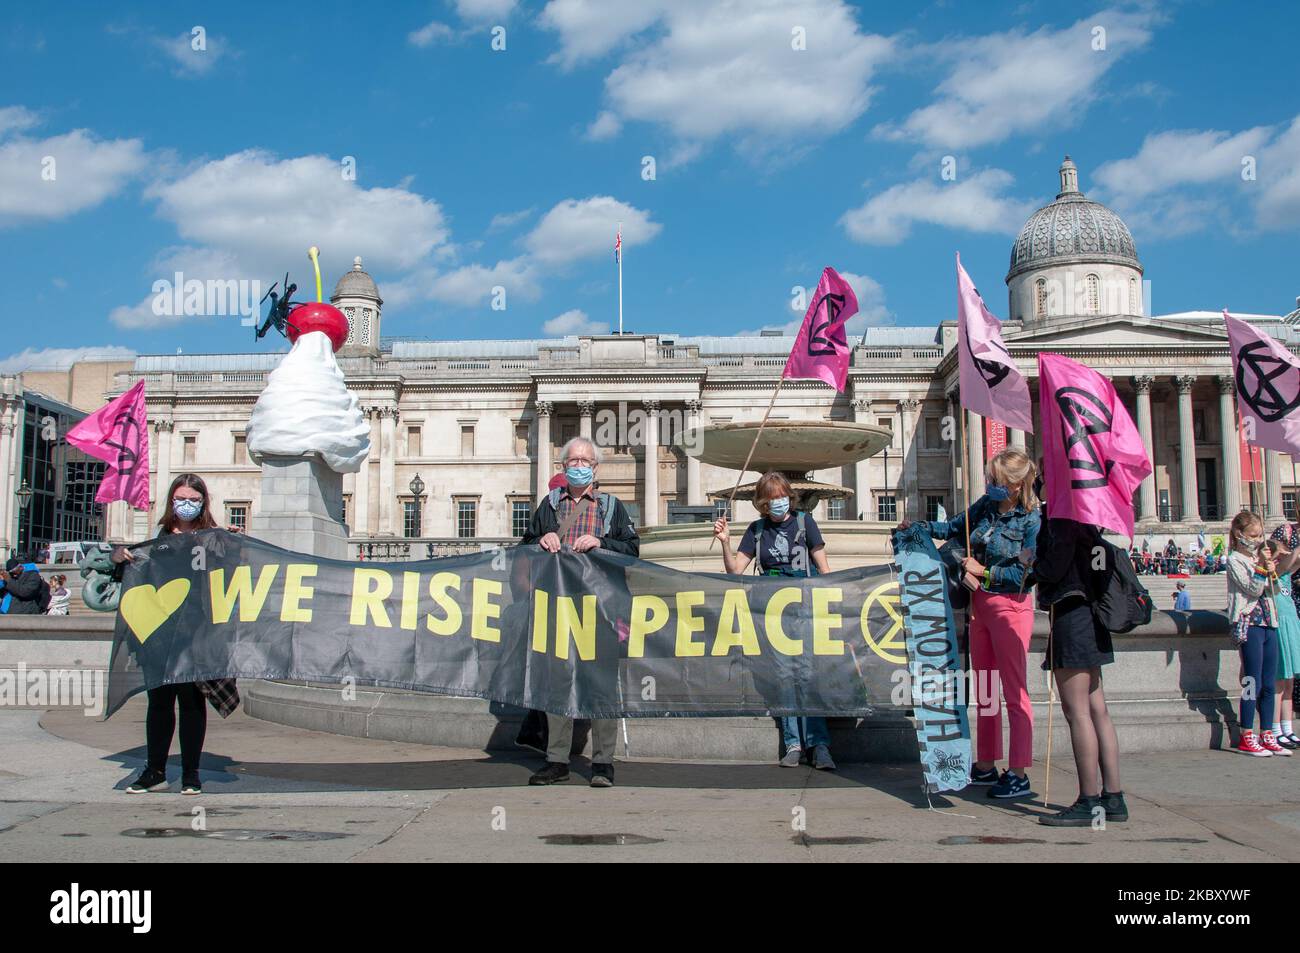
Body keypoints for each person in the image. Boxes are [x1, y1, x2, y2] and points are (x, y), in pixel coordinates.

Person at [902, 448, 1040, 799]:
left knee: (1014, 693)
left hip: (1011, 608)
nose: (990, 485)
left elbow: (1028, 574)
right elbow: (952, 527)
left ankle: (1020, 772)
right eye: (990, 479)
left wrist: (985, 572)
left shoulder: (1032, 521)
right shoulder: (986, 507)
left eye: (996, 480)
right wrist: (916, 526)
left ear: (1016, 484)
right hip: (979, 607)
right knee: (986, 690)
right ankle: (985, 763)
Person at [521, 437, 640, 788]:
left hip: (600, 606)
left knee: (600, 685)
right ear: (562, 466)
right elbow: (524, 546)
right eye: (573, 460)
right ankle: (556, 759)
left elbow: (633, 549)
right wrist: (541, 541)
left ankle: (603, 762)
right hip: (557, 604)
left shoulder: (611, 507)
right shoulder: (550, 504)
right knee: (556, 683)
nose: (579, 465)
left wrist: (602, 543)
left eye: (585, 460)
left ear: (596, 467)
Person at [121, 473, 241, 795]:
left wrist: (234, 545)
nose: (186, 504)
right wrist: (119, 556)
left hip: (196, 633)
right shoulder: (155, 540)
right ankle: (154, 770)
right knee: (159, 702)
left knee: (191, 703)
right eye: (181, 498)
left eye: (193, 499)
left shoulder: (213, 539)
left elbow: (231, 576)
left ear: (202, 502)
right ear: (171, 501)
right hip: (158, 632)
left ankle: (191, 773)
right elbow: (130, 572)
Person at [714, 471, 836, 770]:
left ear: (790, 497)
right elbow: (735, 573)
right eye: (773, 498)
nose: (779, 502)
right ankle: (794, 743)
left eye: (783, 496)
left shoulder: (806, 523)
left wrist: (836, 603)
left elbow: (824, 568)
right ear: (763, 503)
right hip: (773, 612)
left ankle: (819, 744)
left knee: (809, 674)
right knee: (784, 676)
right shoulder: (757, 531)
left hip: (806, 608)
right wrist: (725, 543)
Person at [1033, 506, 1125, 826]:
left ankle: (1089, 799)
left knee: (1078, 713)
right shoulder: (1088, 516)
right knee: (1097, 709)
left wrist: (1029, 561)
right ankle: (1113, 797)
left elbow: (1053, 568)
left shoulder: (1061, 518)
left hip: (1071, 615)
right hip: (1092, 614)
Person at [1225, 511, 1285, 756]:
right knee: (1252, 681)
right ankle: (1246, 732)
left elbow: (1275, 590)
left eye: (1260, 535)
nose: (1258, 539)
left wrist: (1273, 569)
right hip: (1249, 623)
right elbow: (1252, 588)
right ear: (1240, 535)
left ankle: (1267, 731)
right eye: (1254, 535)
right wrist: (1261, 567)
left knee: (1269, 682)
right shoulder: (1235, 560)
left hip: (1269, 621)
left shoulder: (1257, 559)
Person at [1268, 521, 1300, 748]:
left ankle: (1288, 728)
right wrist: (1291, 551)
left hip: (1291, 621)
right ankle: (1275, 728)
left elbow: (1293, 564)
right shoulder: (1273, 568)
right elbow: (1285, 566)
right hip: (1279, 622)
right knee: (1279, 680)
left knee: (1289, 682)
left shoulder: (1288, 566)